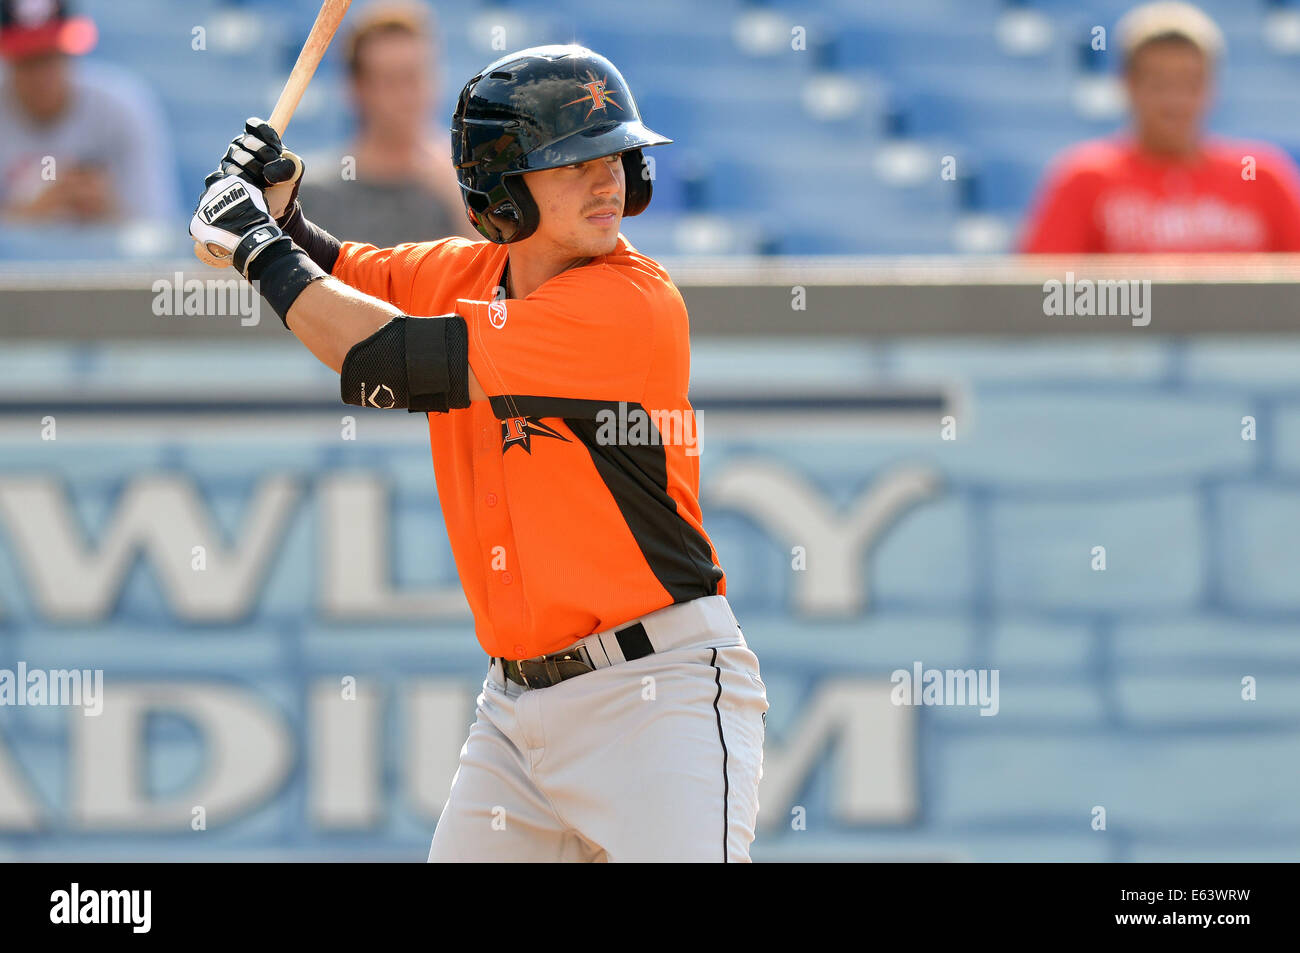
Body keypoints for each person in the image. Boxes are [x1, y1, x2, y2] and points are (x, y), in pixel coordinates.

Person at [188, 45, 768, 863]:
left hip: (653, 696)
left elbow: (387, 358)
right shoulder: (464, 272)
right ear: (500, 185)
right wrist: (276, 214)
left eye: (614, 155)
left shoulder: (632, 303)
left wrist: (255, 247)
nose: (606, 180)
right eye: (571, 161)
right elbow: (336, 276)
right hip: (515, 708)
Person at [1019, 1, 1300, 253]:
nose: (1174, 101)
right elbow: (1041, 294)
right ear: (1127, 84)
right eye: (1159, 84)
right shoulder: (1084, 177)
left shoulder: (1262, 176)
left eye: (1190, 83)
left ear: (1213, 87)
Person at [295, 1, 472, 248]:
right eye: (391, 81)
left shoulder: (464, 187)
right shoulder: (311, 197)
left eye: (415, 76)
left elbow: (496, 276)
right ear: (356, 89)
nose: (408, 96)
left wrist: (460, 197)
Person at [0, 0, 178, 225]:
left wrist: (108, 210)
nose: (42, 75)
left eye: (51, 55)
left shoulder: (123, 106)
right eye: (27, 60)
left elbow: (156, 227)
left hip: (110, 259)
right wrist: (26, 217)